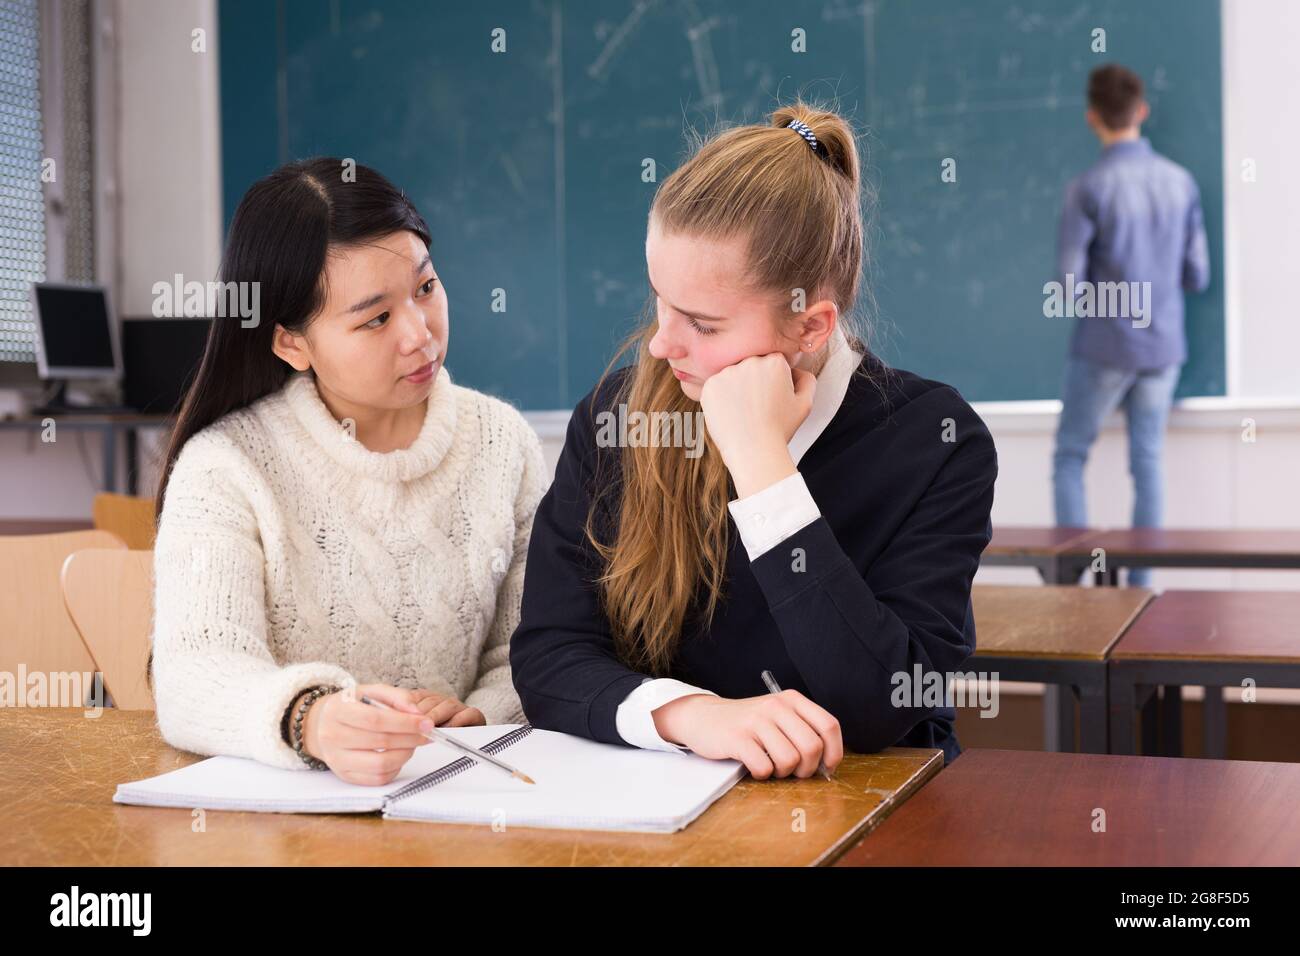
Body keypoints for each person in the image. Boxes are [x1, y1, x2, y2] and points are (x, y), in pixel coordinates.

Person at [510, 103, 998, 778]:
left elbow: (883, 705)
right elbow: (549, 657)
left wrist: (764, 468)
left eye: (704, 325)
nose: (661, 343)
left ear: (811, 326)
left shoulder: (937, 442)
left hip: (873, 809)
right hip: (675, 809)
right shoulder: (619, 415)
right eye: (660, 299)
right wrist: (696, 716)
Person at [150, 158, 545, 785]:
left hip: (463, 799)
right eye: (375, 318)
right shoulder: (227, 466)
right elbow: (193, 673)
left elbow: (536, 645)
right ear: (291, 343)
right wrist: (311, 719)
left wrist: (482, 714)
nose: (420, 335)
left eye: (425, 288)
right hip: (287, 824)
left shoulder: (503, 444)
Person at [1053, 64, 1211, 584]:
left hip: (1104, 347)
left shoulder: (1087, 188)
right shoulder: (1181, 183)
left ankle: (1075, 584)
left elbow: (1070, 285)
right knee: (1147, 460)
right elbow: (1197, 274)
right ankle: (1141, 591)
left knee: (1072, 455)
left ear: (1092, 117)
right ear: (1141, 111)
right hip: (1163, 348)